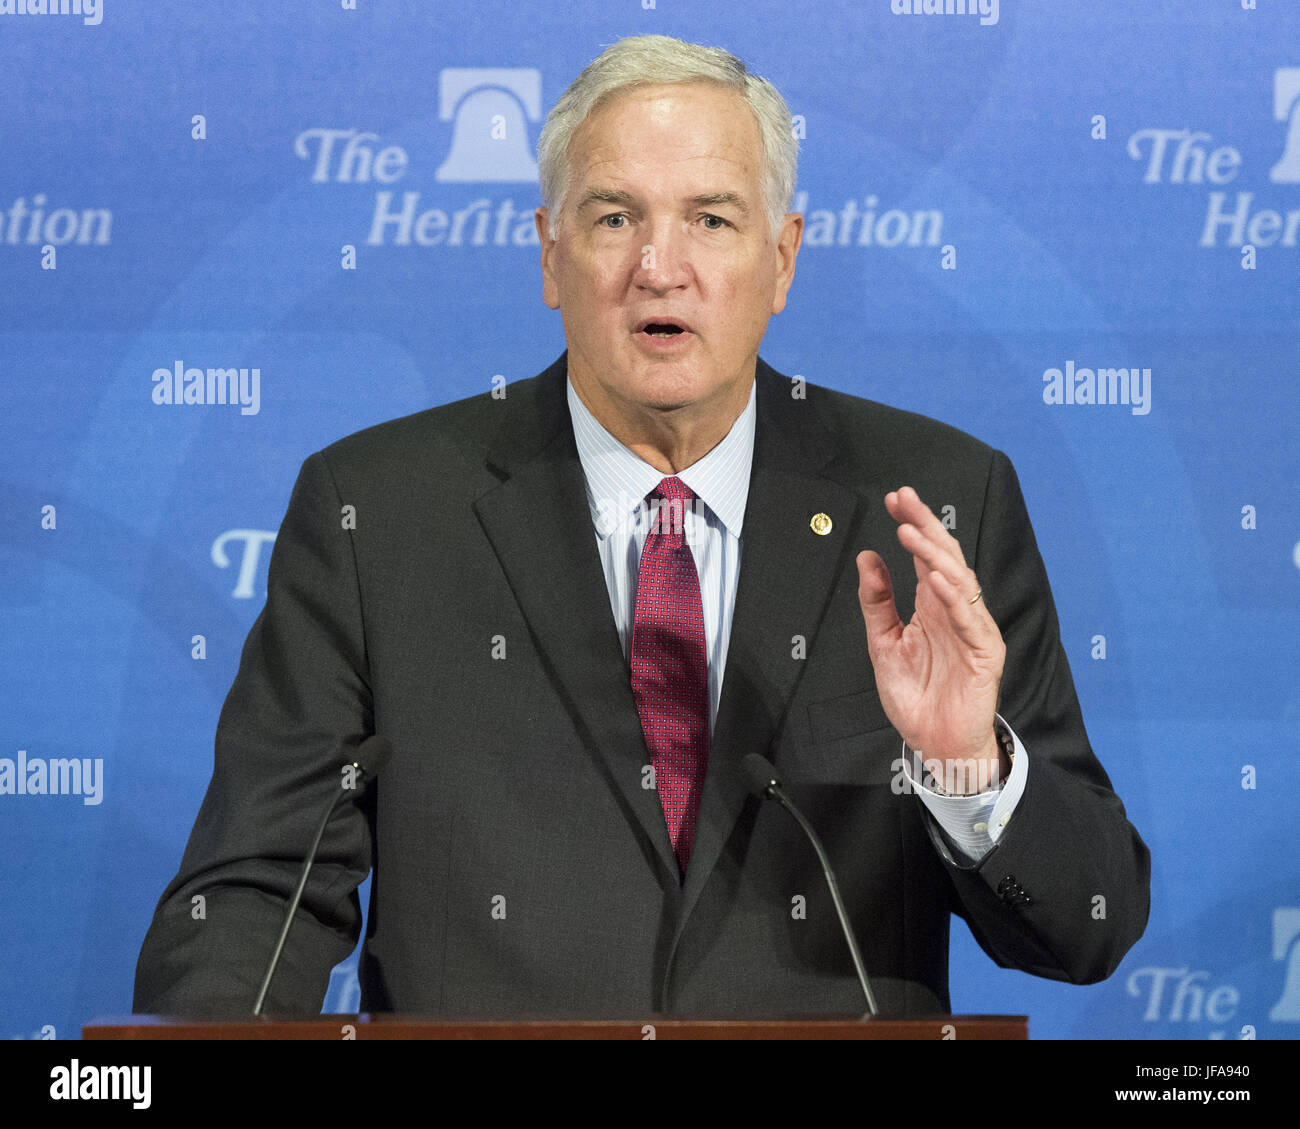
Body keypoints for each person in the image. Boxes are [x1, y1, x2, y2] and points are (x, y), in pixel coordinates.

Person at [134, 34, 1149, 1019]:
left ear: (783, 260)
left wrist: (969, 766)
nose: (660, 267)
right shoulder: (377, 513)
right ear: (548, 255)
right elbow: (260, 890)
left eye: (711, 220)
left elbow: (1086, 926)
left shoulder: (933, 504)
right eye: (615, 218)